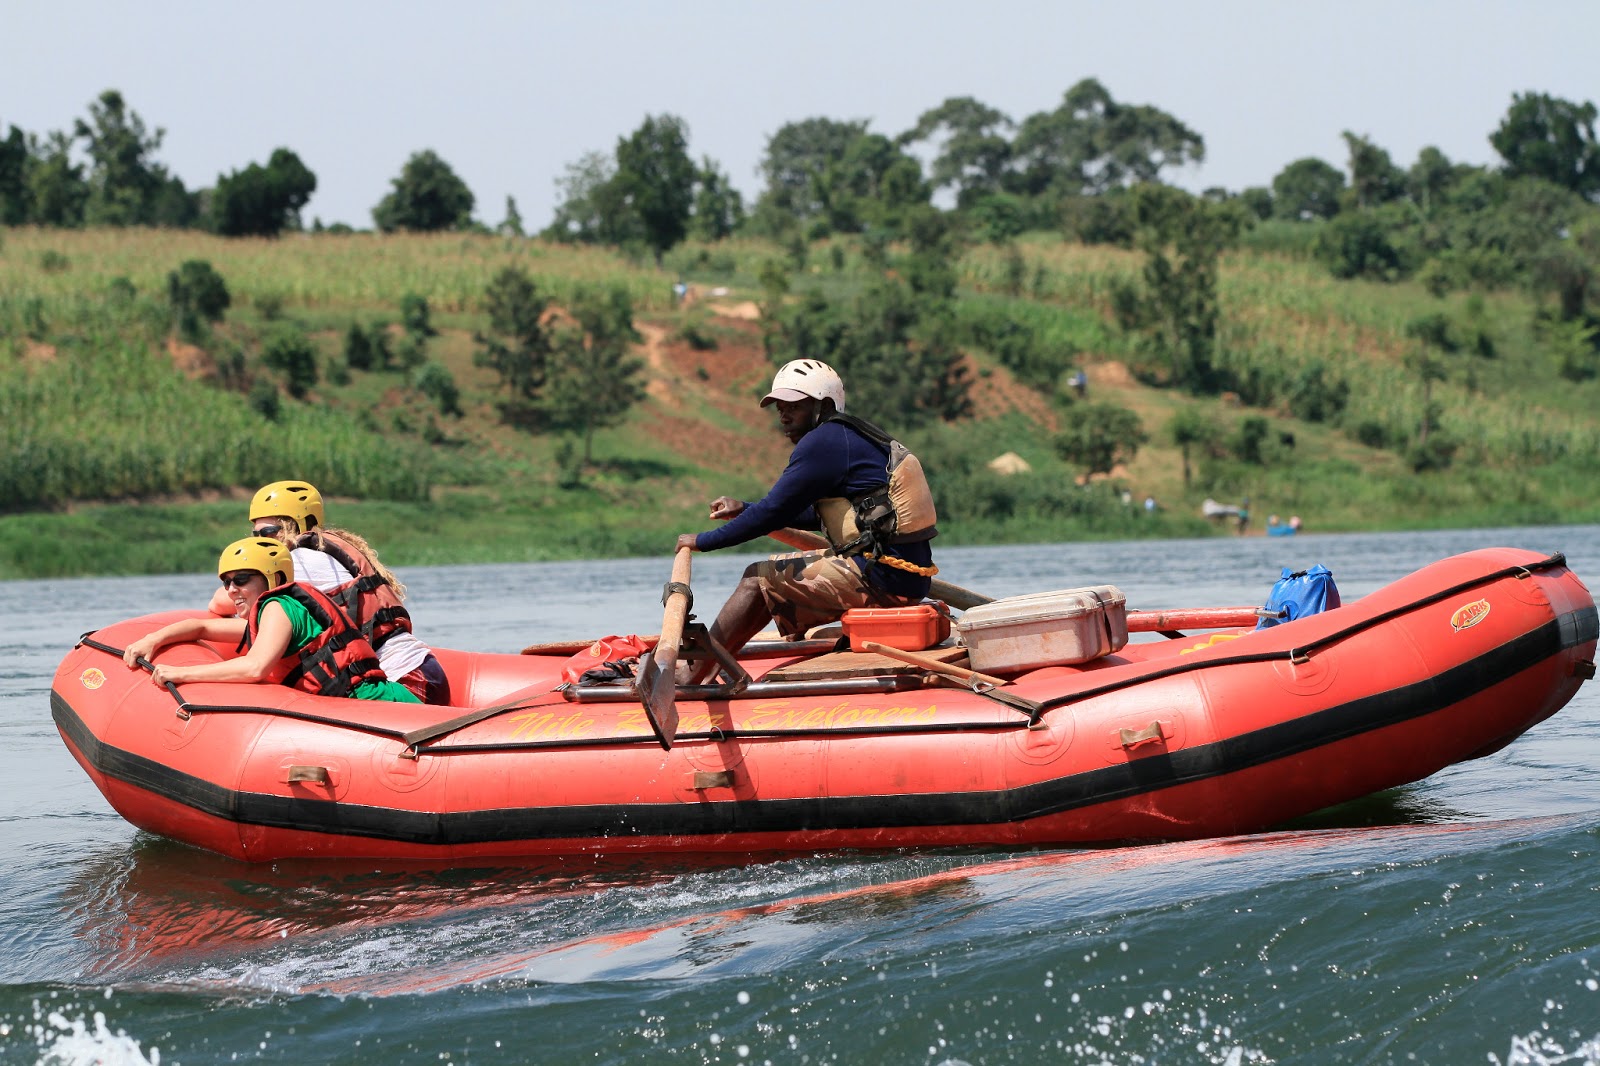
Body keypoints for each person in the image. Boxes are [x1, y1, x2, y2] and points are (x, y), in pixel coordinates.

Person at [674, 359, 938, 677]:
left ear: (823, 406)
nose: (784, 417)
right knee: (778, 574)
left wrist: (701, 541)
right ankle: (716, 664)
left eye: (794, 407)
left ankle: (694, 675)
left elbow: (773, 512)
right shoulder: (849, 436)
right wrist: (744, 508)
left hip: (882, 578)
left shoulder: (823, 442)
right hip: (902, 577)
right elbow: (817, 514)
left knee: (757, 579)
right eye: (780, 409)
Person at [209, 481, 451, 705]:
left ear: (293, 525)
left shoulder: (302, 560)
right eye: (255, 535)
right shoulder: (323, 549)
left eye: (268, 533)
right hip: (421, 670)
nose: (260, 542)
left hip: (405, 679)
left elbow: (222, 602)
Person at [124, 537, 420, 703]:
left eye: (241, 579)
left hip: (379, 704)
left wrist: (181, 674)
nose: (231, 590)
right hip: (365, 703)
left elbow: (255, 668)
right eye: (226, 582)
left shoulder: (278, 606)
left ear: (273, 578)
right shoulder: (275, 614)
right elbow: (201, 626)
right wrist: (153, 639)